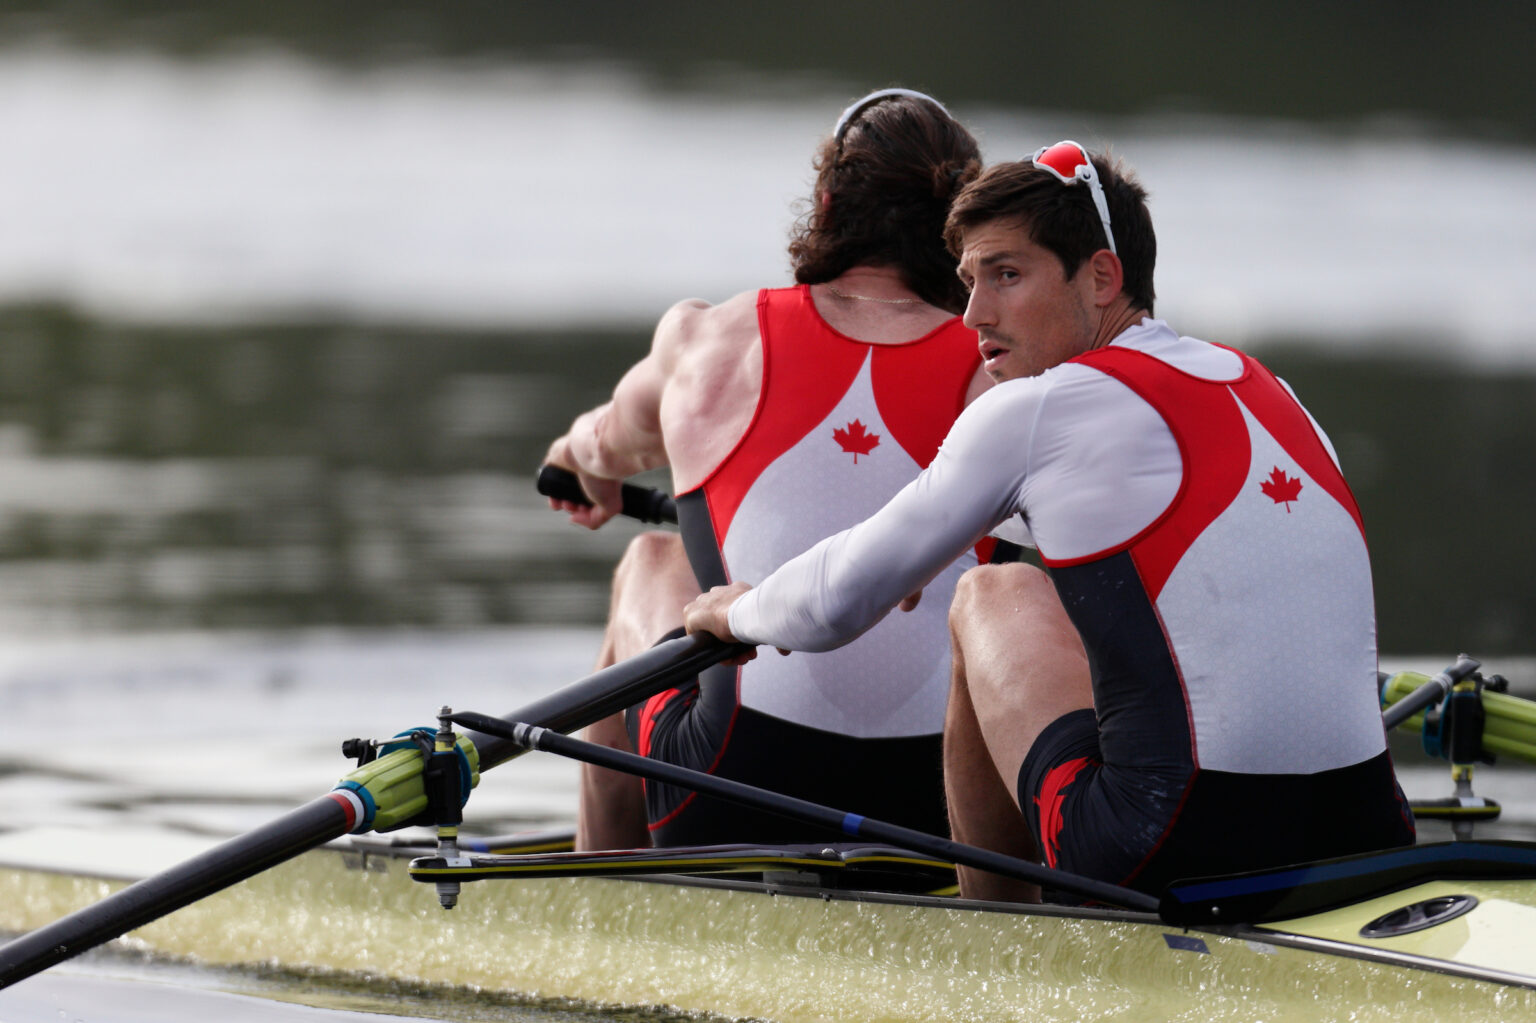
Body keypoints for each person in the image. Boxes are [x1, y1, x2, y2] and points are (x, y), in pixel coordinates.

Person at [683, 141, 1416, 899]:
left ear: (1101, 277)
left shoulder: (1034, 410)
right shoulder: (1275, 391)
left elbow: (835, 602)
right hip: (1369, 833)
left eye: (1006, 274)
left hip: (1168, 845)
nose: (974, 313)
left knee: (991, 593)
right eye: (968, 282)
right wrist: (934, 548)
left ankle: (997, 949)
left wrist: (735, 609)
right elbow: (1148, 529)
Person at [542, 88, 991, 850]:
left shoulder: (708, 340)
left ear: (824, 203)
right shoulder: (1006, 376)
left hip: (727, 786)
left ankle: (603, 890)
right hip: (940, 808)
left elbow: (605, 443)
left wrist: (580, 464)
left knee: (651, 560)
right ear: (960, 233)